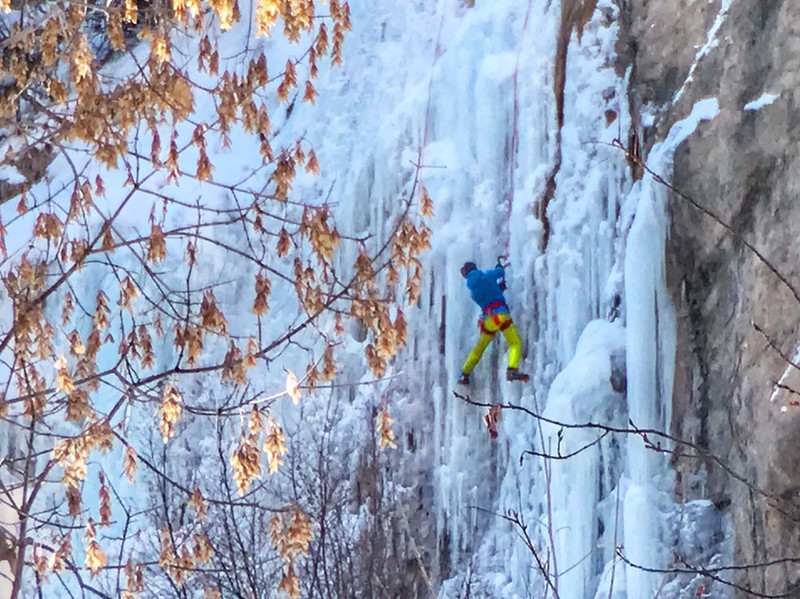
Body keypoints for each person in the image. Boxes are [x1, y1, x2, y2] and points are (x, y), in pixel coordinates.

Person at [458, 261, 529, 384]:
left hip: (488, 320)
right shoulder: (485, 275)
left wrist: (498, 289)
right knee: (515, 343)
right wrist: (499, 267)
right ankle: (512, 369)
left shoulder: (473, 291)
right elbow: (499, 272)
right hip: (500, 315)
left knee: (479, 348)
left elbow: (488, 295)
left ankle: (465, 373)